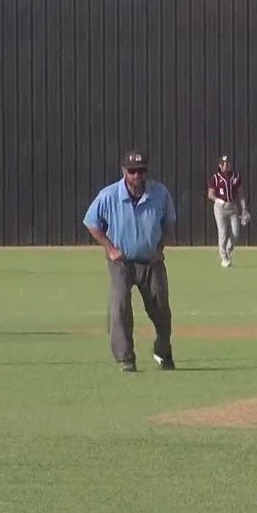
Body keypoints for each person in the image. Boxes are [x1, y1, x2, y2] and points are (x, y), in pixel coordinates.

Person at [84, 151, 176, 372]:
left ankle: (163, 351)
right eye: (133, 171)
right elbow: (91, 222)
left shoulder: (159, 193)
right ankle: (126, 358)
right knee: (120, 306)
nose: (137, 175)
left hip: (151, 261)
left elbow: (169, 221)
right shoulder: (109, 195)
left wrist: (160, 247)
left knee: (161, 308)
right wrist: (110, 248)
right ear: (124, 171)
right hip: (121, 261)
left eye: (141, 170)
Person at [206, 154, 248, 268]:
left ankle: (228, 250)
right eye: (223, 163)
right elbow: (210, 194)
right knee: (223, 232)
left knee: (235, 232)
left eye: (227, 163)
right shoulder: (215, 178)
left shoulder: (236, 176)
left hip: (232, 206)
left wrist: (244, 208)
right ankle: (224, 258)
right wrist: (219, 201)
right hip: (220, 208)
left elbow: (241, 194)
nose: (226, 165)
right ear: (220, 165)